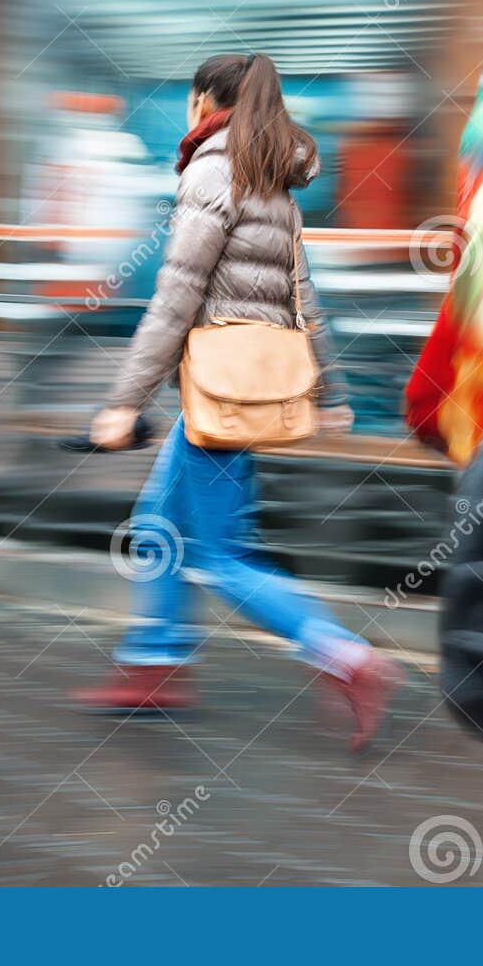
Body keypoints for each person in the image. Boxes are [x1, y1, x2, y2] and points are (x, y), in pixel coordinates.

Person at [76, 53, 402, 751]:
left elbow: (175, 297)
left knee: (222, 557)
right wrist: (331, 390)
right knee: (159, 524)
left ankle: (349, 658)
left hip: (217, 394)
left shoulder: (210, 171)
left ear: (203, 102)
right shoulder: (272, 184)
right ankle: (155, 662)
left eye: (192, 100)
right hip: (241, 389)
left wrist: (123, 401)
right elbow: (303, 297)